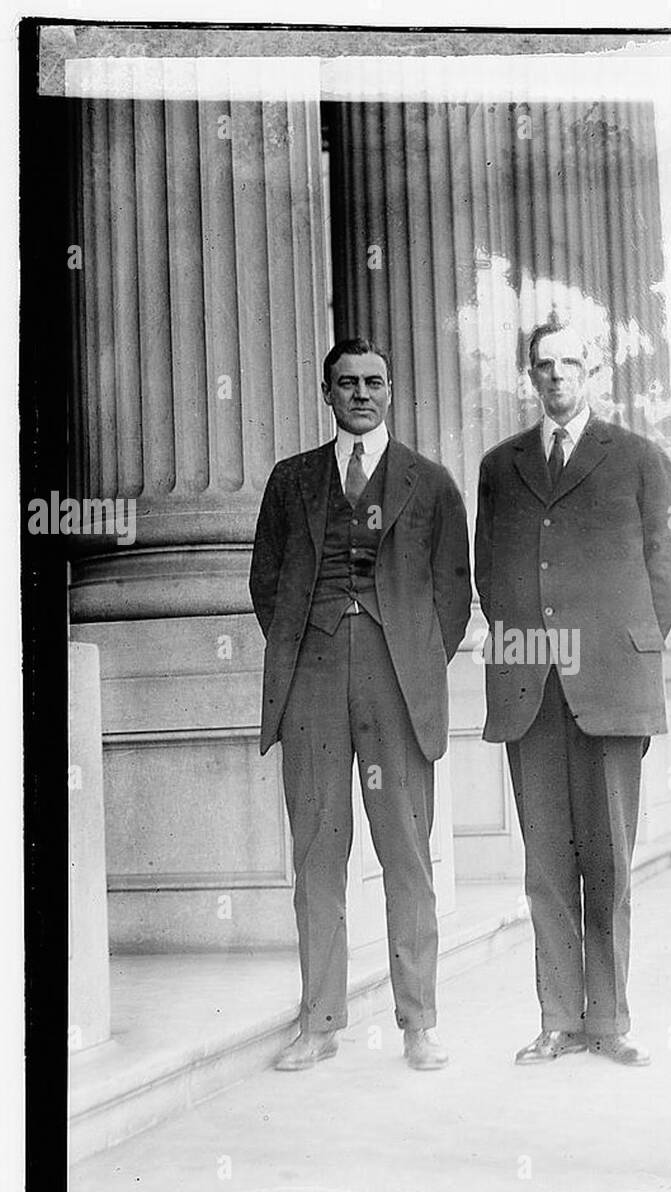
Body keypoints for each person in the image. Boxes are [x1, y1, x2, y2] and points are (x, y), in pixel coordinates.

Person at [250, 337, 471, 1071]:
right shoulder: (291, 482)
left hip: (396, 678)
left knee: (406, 850)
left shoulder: (431, 483)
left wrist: (407, 654)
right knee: (317, 848)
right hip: (311, 673)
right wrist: (311, 639)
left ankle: (419, 1023)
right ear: (326, 393)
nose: (361, 394)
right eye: (346, 383)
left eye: (374, 382)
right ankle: (319, 1023)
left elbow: (452, 594)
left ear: (390, 391)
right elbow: (267, 581)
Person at [474, 320, 671, 1067]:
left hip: (610, 689)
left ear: (592, 369)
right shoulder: (500, 466)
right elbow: (488, 571)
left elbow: (668, 570)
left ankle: (609, 1025)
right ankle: (558, 1020)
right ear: (527, 375)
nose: (556, 376)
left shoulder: (636, 459)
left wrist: (623, 647)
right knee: (545, 868)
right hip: (531, 688)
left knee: (609, 863)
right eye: (543, 365)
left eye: (570, 363)